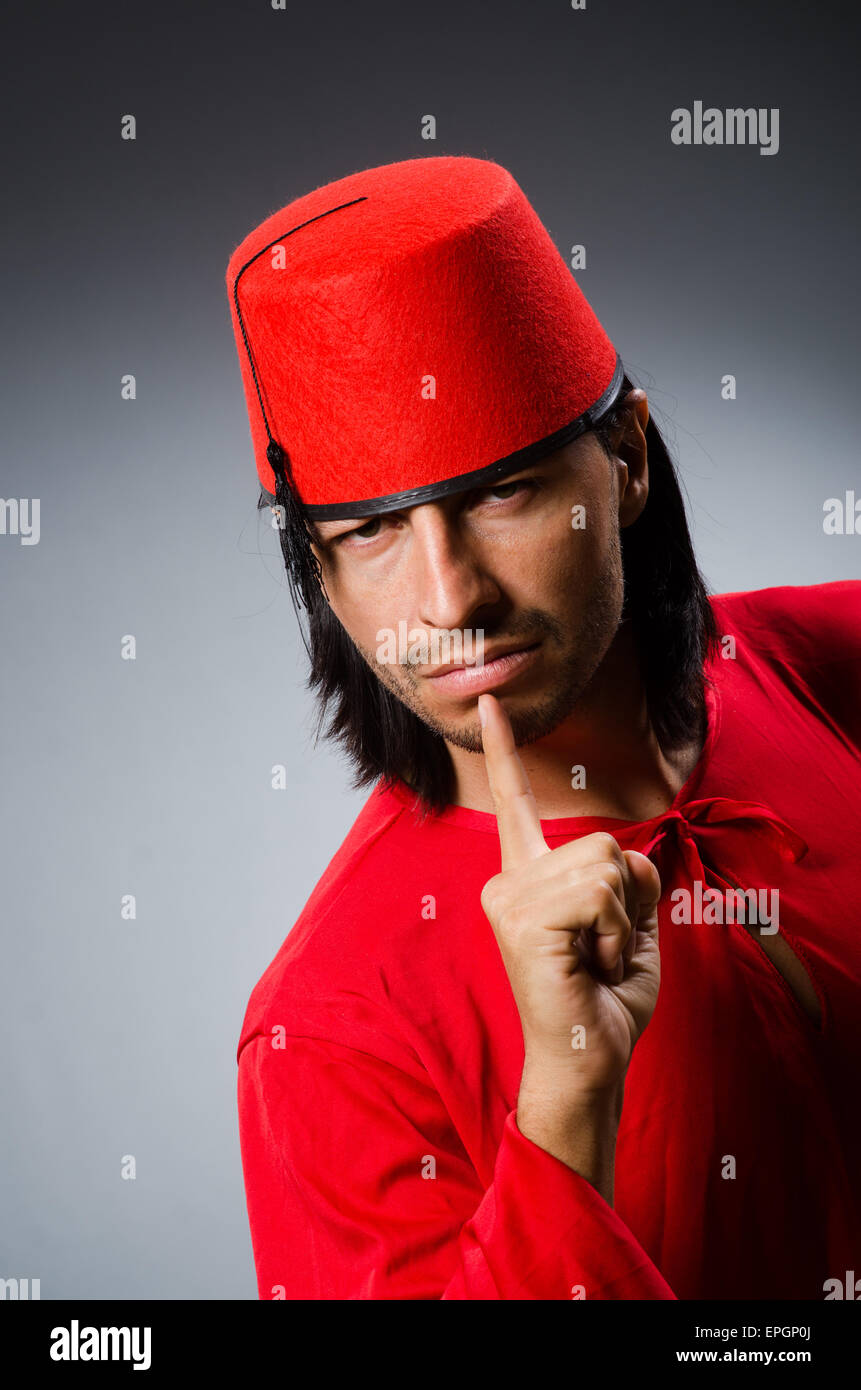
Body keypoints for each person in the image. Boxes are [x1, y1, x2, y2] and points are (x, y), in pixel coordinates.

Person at [226, 154, 861, 1299]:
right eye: (372, 532)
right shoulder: (329, 1030)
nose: (449, 600)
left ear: (626, 462)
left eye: (500, 492)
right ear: (319, 572)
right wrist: (568, 1102)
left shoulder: (802, 662)